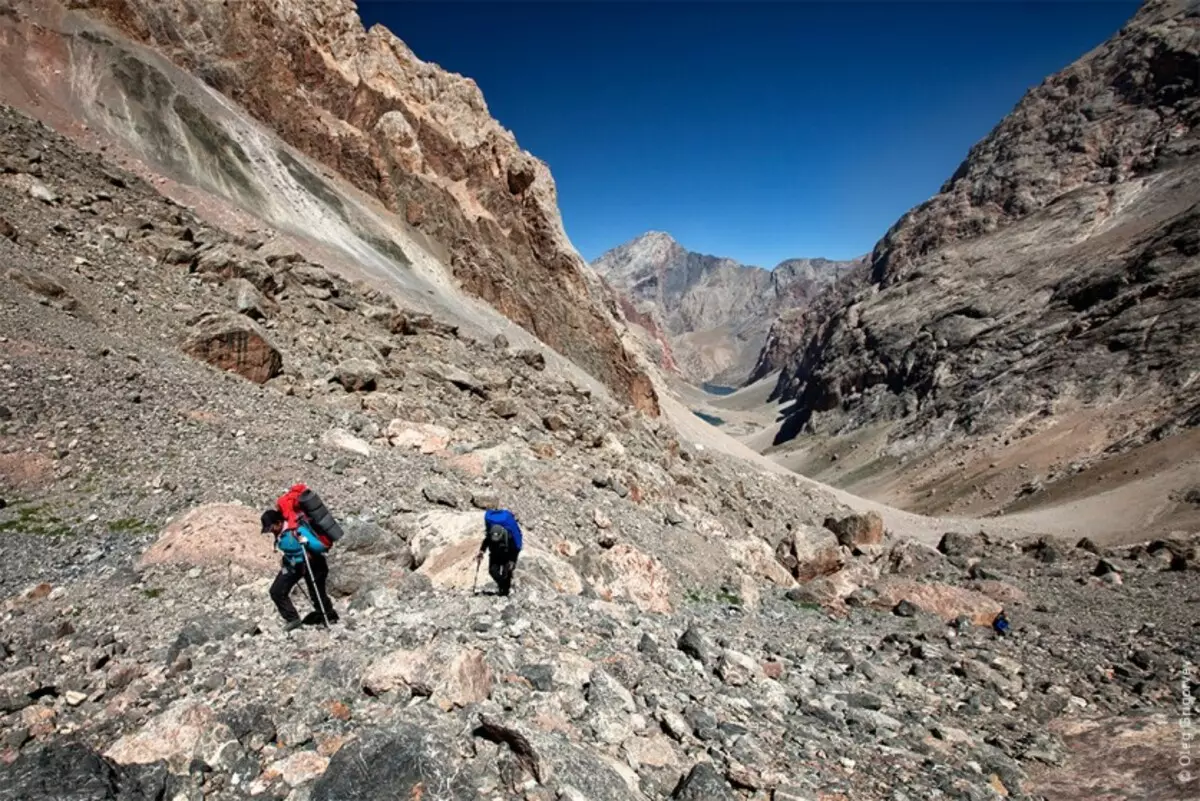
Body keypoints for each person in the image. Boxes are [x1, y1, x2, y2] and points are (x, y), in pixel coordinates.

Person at [262, 508, 339, 630]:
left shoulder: (297, 530)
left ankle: (328, 616)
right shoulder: (281, 534)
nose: (271, 531)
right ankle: (293, 620)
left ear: (278, 522)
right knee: (276, 591)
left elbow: (320, 547)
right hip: (292, 564)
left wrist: (306, 542)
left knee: (316, 593)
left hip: (313, 563)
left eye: (271, 528)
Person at [475, 508, 523, 596]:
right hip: (495, 553)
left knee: (506, 572)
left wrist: (512, 560)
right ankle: (503, 587)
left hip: (507, 554)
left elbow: (515, 548)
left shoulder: (509, 537)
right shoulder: (491, 534)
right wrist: (481, 551)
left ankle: (504, 591)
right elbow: (486, 541)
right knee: (493, 571)